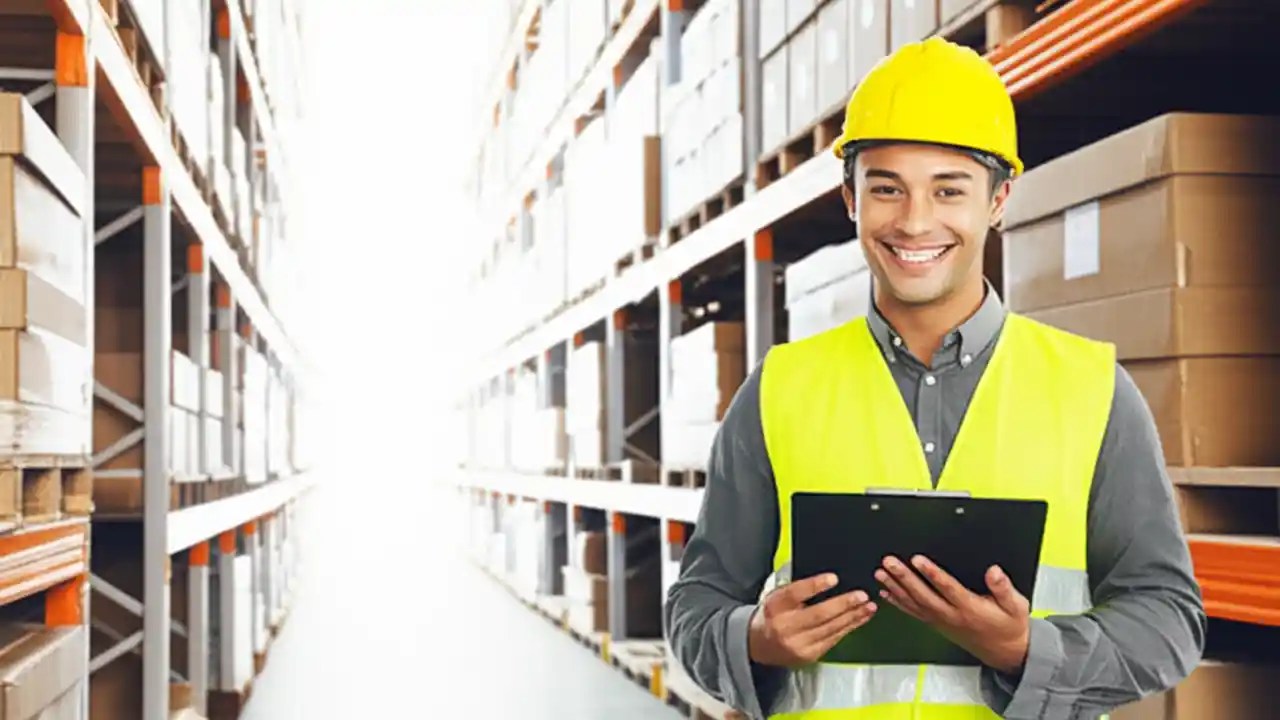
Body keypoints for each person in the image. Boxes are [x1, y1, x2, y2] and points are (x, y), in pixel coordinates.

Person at [663, 36, 1206, 720]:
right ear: (850, 199)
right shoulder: (778, 391)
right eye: (886, 189)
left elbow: (1169, 622)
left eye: (949, 190)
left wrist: (1027, 649)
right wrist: (755, 639)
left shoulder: (1094, 390)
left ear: (999, 199)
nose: (915, 221)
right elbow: (694, 607)